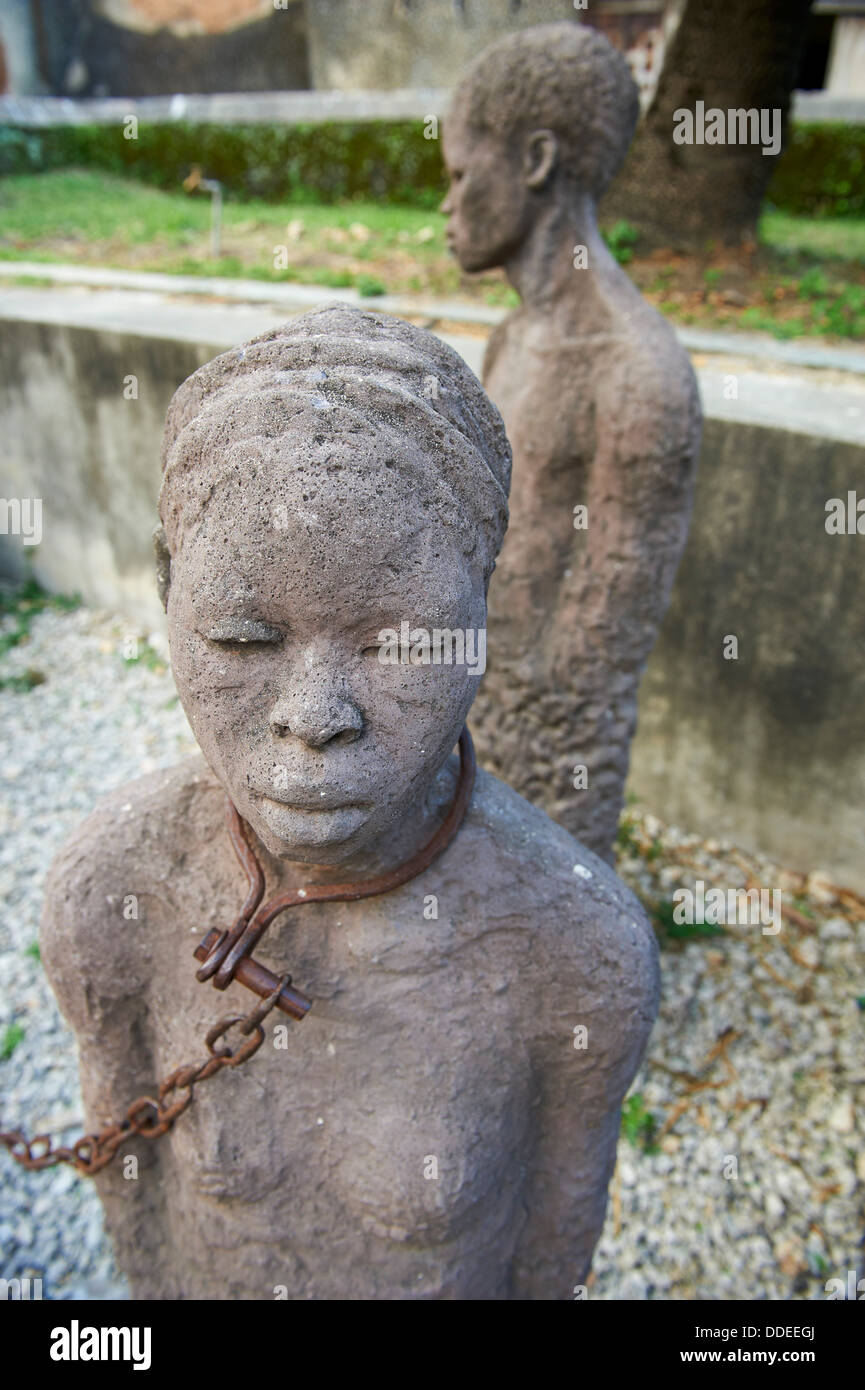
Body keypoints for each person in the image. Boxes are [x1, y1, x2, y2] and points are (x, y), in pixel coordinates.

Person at [40, 306, 658, 1300]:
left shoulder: (579, 952)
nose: (314, 717)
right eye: (243, 638)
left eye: (398, 642)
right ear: (168, 596)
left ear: (479, 611)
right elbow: (137, 1217)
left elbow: (552, 1258)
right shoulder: (108, 895)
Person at [442, 22, 702, 861]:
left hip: (544, 757)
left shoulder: (639, 372)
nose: (445, 208)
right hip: (460, 707)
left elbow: (601, 645)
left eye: (457, 176)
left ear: (535, 160)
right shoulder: (508, 342)